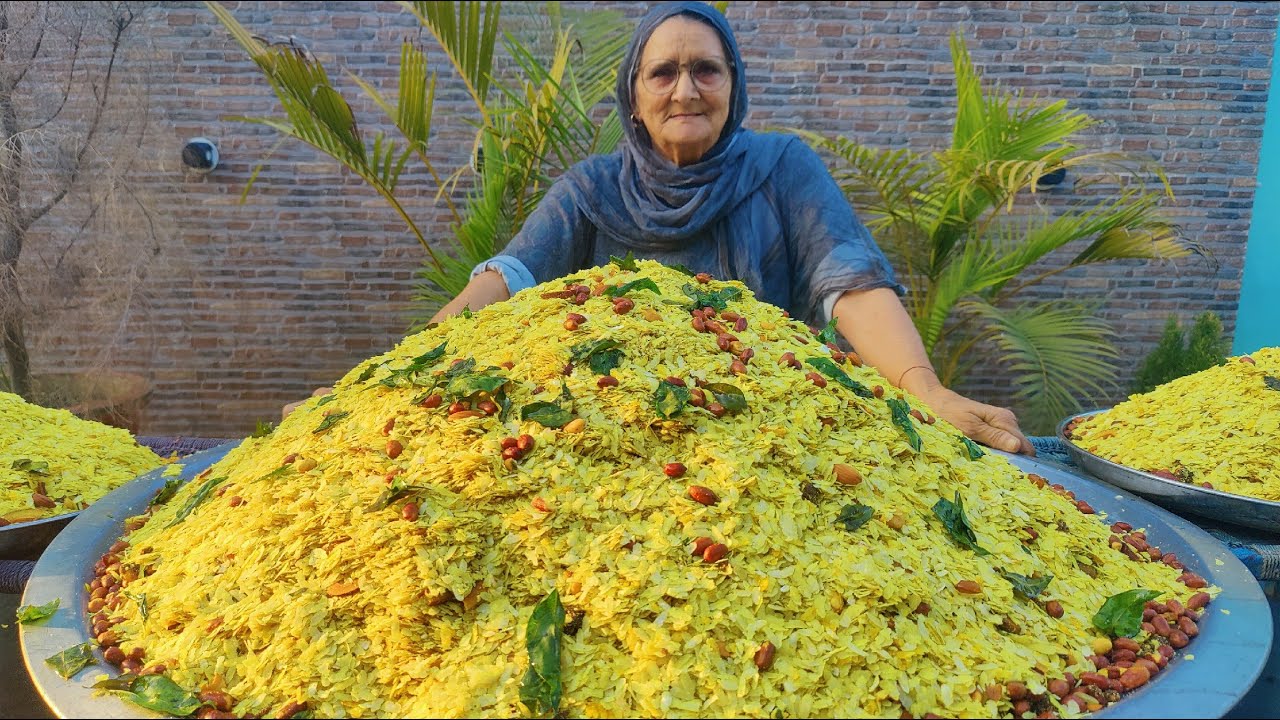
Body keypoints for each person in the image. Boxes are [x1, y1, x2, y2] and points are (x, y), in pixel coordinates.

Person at [286, 1, 1034, 456]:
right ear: (634, 96)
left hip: (769, 437)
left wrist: (922, 387)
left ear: (733, 85)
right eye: (663, 72)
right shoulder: (593, 188)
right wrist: (383, 382)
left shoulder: (781, 168)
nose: (686, 89)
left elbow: (849, 278)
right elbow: (505, 278)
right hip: (614, 443)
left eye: (706, 70)